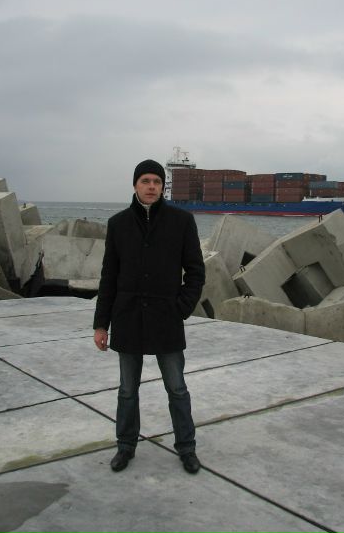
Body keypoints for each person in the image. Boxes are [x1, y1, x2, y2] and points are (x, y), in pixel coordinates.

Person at [93, 159, 205, 474]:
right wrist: (101, 324)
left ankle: (187, 448)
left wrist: (181, 308)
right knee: (127, 390)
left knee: (177, 388)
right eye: (145, 181)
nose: (152, 186)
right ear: (135, 185)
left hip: (166, 319)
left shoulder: (182, 221)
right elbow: (108, 277)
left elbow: (196, 271)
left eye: (157, 181)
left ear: (162, 186)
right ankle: (125, 446)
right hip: (127, 319)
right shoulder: (118, 224)